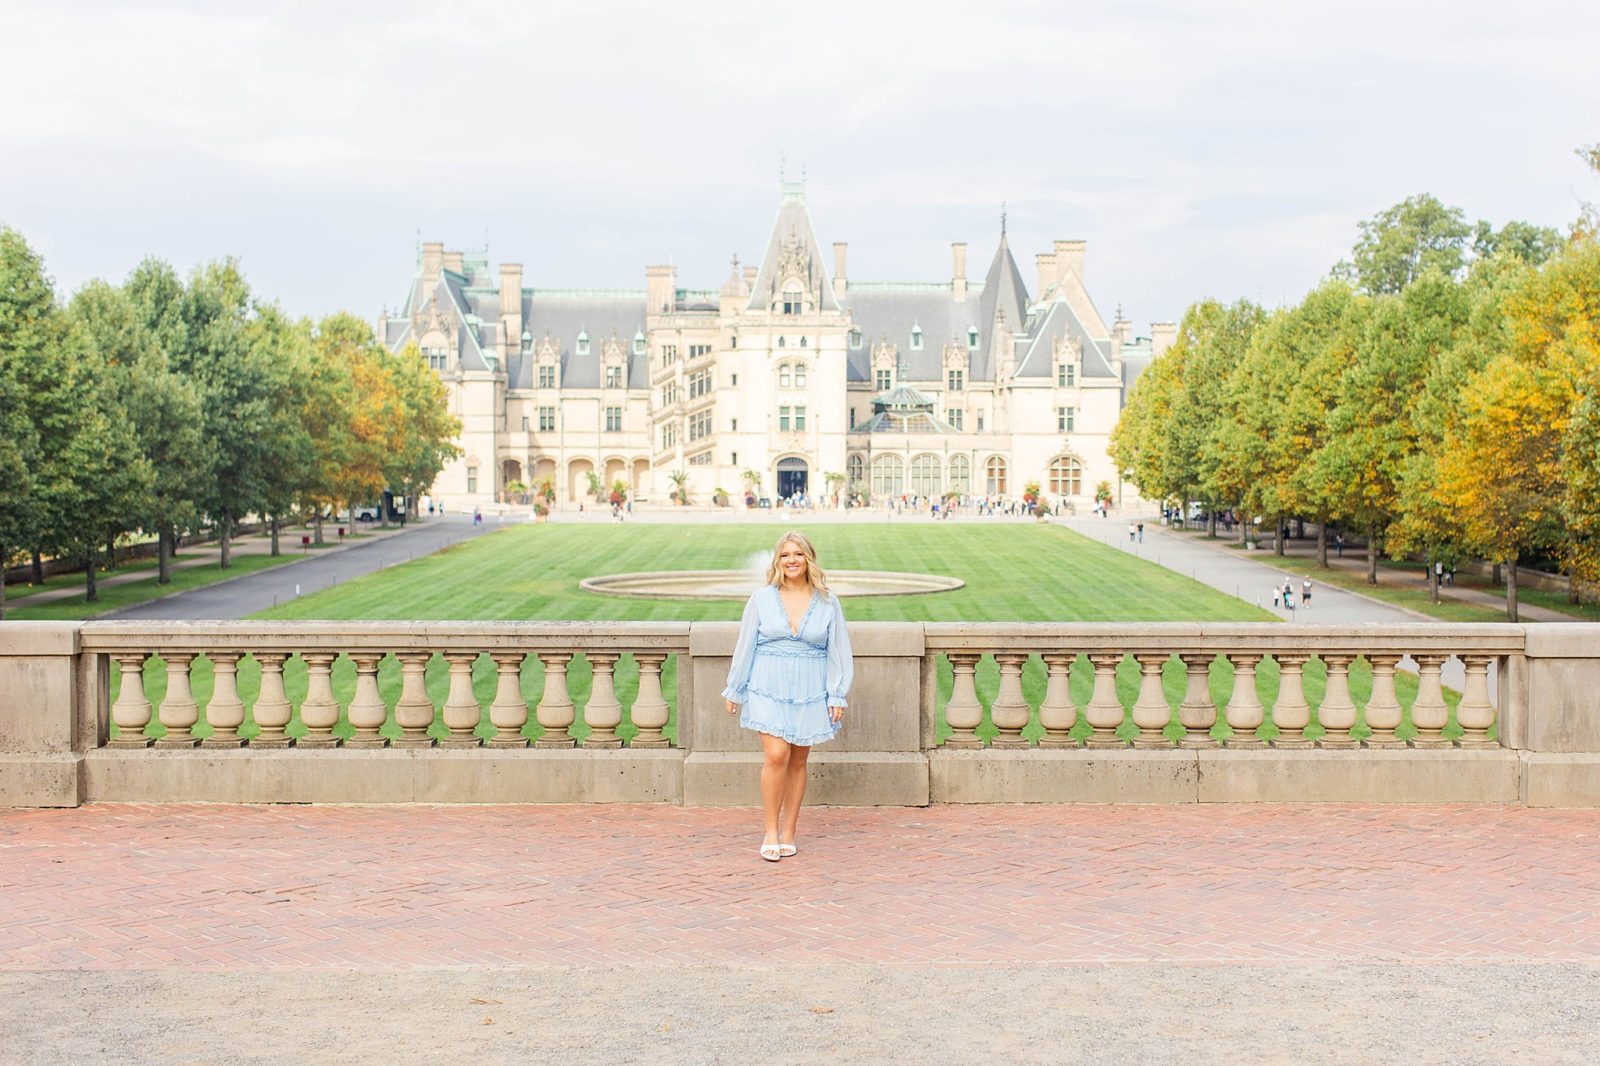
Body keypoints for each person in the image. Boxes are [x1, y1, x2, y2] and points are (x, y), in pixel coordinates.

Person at [723, 531, 853, 863]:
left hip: (811, 689)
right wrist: (735, 687)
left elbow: (838, 651)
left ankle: (789, 832)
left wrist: (836, 694)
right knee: (777, 754)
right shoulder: (761, 599)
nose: (791, 560)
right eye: (784, 555)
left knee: (797, 761)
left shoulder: (828, 602)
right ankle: (770, 830)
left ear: (809, 558)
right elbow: (745, 645)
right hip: (767, 684)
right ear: (777, 561)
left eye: (797, 554)